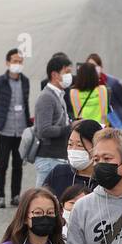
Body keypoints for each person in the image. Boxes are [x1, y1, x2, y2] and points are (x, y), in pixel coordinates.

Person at [0, 48, 30, 209]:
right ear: (7, 63)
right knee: (2, 163)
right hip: (4, 130)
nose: (17, 64)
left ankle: (15, 195)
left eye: (20, 62)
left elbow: (25, 104)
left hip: (20, 130)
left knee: (18, 164)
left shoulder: (25, 81)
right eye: (14, 61)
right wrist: (0, 118)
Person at [33, 53, 73, 187]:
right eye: (66, 72)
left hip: (58, 157)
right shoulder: (46, 97)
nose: (70, 76)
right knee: (42, 200)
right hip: (49, 158)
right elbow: (44, 130)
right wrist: (70, 128)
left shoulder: (59, 95)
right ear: (55, 75)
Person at [45, 120, 98, 200]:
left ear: (96, 147)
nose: (73, 149)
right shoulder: (59, 173)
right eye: (70, 144)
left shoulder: (104, 180)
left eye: (79, 145)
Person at [86, 53, 122, 128]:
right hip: (94, 124)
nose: (92, 68)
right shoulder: (83, 85)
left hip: (112, 124)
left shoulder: (112, 83)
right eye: (89, 66)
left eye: (94, 66)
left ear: (101, 67)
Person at [68, 60, 109, 129]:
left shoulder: (74, 92)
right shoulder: (102, 90)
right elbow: (104, 112)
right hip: (100, 128)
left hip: (82, 128)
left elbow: (77, 112)